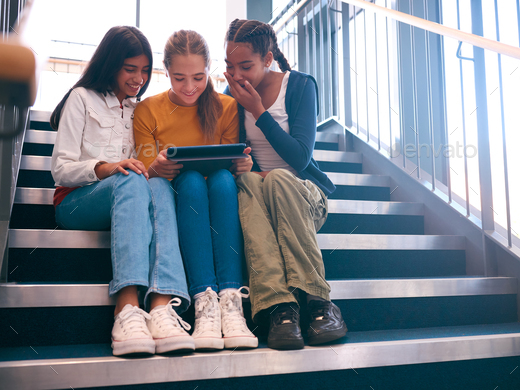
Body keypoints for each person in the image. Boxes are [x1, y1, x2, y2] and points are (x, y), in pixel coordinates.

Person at [50, 26, 194, 356]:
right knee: (131, 177)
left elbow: (143, 170)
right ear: (111, 63)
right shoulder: (81, 98)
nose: (138, 79)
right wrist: (108, 167)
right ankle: (126, 308)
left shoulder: (139, 111)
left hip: (128, 201)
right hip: (76, 201)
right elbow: (61, 168)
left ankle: (160, 307)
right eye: (130, 69)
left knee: (155, 182)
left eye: (144, 71)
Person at [223, 19, 347, 350]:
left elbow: (300, 159)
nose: (236, 76)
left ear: (267, 59)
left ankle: (318, 301)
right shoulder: (229, 97)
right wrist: (239, 165)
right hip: (259, 196)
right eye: (230, 67)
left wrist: (259, 111)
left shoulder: (301, 86)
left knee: (278, 177)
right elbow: (233, 156)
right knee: (248, 181)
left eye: (245, 66)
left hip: (305, 195)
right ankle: (279, 308)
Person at [133, 29, 257, 351]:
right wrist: (156, 167)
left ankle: (231, 302)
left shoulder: (227, 107)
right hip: (180, 197)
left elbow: (230, 161)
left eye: (198, 78)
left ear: (209, 70)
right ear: (165, 71)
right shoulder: (148, 110)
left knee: (223, 179)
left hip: (218, 193)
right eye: (179, 78)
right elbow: (144, 170)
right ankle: (204, 303)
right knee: (189, 181)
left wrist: (243, 165)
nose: (190, 88)